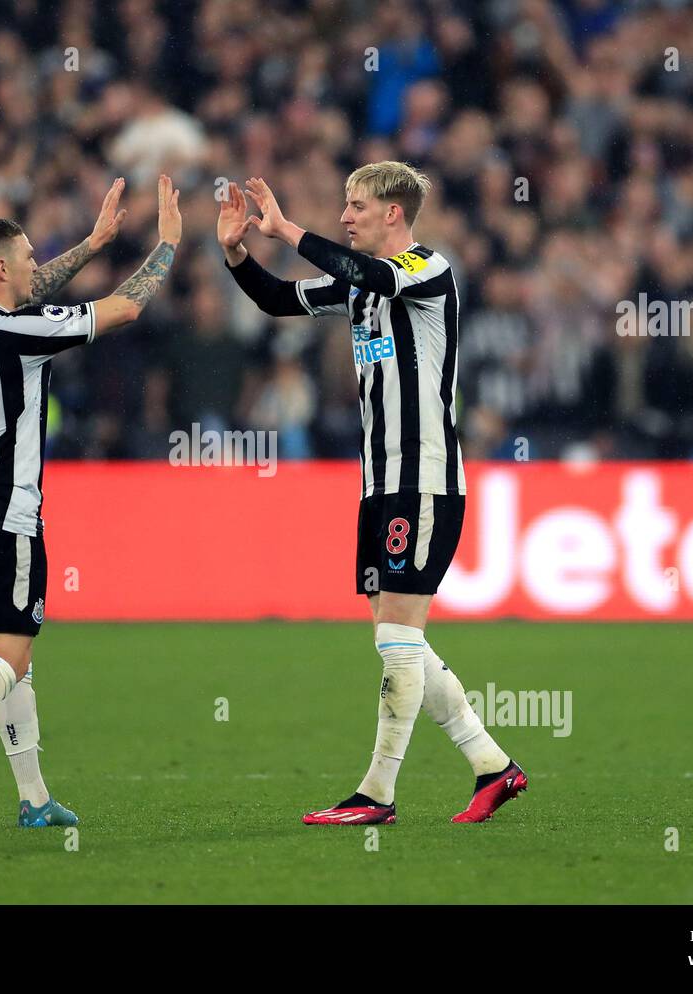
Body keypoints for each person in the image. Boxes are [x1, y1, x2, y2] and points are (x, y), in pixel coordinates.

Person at [219, 162, 526, 825]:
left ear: (393, 213)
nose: (345, 216)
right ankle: (492, 766)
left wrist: (286, 229)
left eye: (356, 206)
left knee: (396, 634)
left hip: (424, 475)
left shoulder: (425, 270)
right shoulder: (356, 287)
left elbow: (375, 275)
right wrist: (238, 253)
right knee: (396, 634)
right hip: (379, 483)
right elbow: (279, 300)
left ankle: (377, 794)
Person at [0, 175, 181, 832]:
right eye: (24, 259)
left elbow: (32, 292)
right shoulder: (18, 333)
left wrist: (93, 241)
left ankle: (34, 797)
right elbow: (124, 309)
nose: (33, 270)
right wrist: (166, 246)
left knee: (11, 658)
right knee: (7, 657)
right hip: (5, 515)